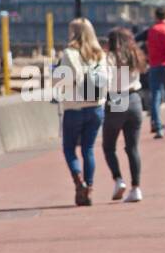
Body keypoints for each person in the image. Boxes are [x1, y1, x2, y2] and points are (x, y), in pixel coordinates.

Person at [55, 17, 109, 206]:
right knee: (88, 149)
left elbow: (62, 80)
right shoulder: (100, 54)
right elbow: (106, 80)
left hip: (74, 108)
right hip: (96, 107)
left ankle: (79, 182)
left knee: (69, 148)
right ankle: (90, 187)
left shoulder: (69, 53)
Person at [103, 26, 146, 202]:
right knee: (132, 147)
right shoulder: (136, 55)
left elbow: (105, 80)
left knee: (109, 146)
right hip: (135, 99)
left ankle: (119, 179)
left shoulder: (109, 58)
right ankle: (136, 188)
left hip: (117, 99)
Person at [145, 6, 165, 138]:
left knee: (156, 96)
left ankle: (157, 127)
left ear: (155, 16)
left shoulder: (151, 30)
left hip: (154, 65)